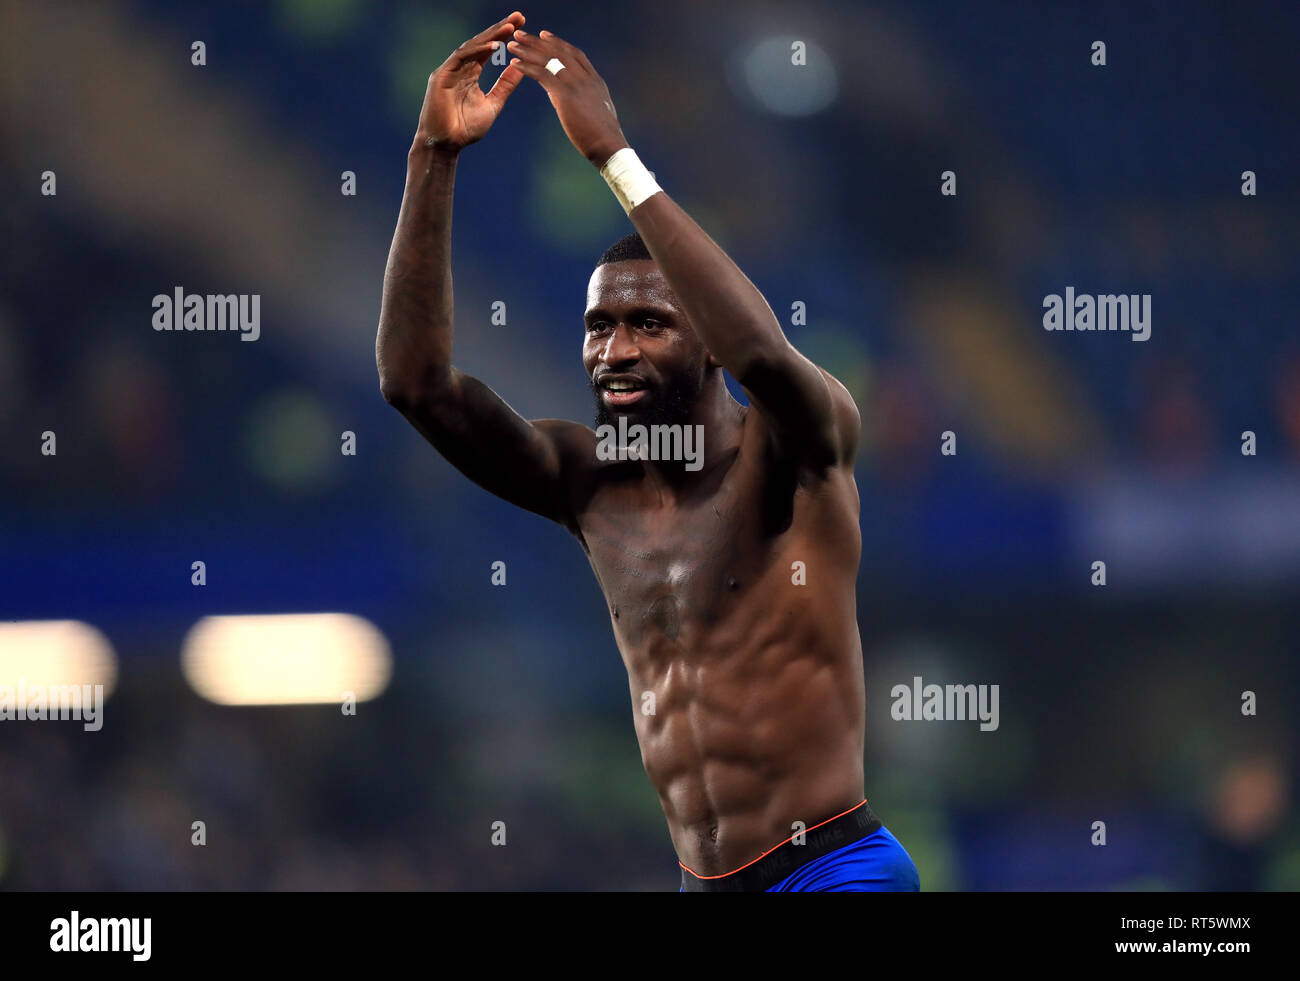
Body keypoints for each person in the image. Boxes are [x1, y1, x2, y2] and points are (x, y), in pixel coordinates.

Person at [376, 11, 919, 892]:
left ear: (702, 338)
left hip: (831, 867)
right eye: (598, 327)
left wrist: (616, 162)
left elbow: (763, 357)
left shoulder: (794, 450)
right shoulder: (584, 481)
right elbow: (415, 386)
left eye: (646, 324)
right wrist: (432, 159)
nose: (614, 349)